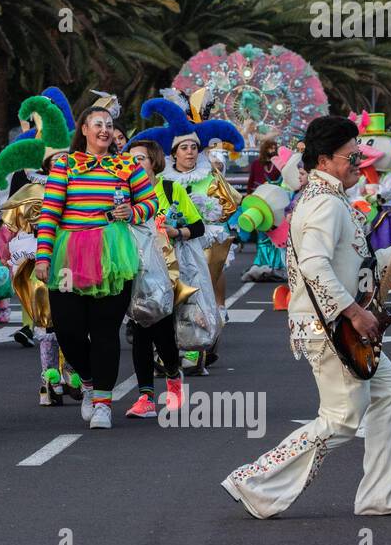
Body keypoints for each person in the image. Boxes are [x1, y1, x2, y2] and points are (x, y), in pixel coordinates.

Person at [221, 115, 391, 519]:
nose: (359, 160)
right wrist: (354, 312)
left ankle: (381, 494)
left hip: (339, 326)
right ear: (323, 159)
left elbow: (356, 267)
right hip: (332, 328)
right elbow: (317, 268)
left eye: (359, 152)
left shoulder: (333, 200)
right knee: (341, 420)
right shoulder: (323, 204)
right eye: (351, 154)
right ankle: (254, 480)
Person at [33, 103, 157, 430]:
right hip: (69, 252)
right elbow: (49, 214)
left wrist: (133, 212)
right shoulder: (65, 165)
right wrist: (43, 257)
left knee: (104, 331)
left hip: (113, 254)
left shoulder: (127, 164)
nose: (104, 129)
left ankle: (103, 401)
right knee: (68, 329)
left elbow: (151, 202)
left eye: (109, 124)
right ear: (84, 130)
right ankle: (87, 382)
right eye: (97, 123)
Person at [137, 92, 245, 374]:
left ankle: (197, 350)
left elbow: (229, 204)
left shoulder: (210, 174)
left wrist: (207, 209)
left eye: (193, 147)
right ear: (173, 153)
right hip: (165, 247)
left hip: (201, 241)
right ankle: (167, 353)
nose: (189, 152)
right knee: (167, 299)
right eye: (183, 148)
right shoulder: (164, 181)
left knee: (198, 296)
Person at [0, 92, 83, 406]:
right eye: (56, 161)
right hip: (39, 263)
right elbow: (11, 223)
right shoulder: (30, 190)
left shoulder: (81, 186)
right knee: (45, 319)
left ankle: (70, 369)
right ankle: (48, 378)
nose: (61, 165)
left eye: (65, 160)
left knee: (72, 315)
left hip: (71, 260)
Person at [123, 139, 194, 418]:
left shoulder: (169, 189)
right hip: (133, 269)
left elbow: (197, 226)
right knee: (140, 328)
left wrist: (176, 232)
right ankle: (146, 397)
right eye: (129, 160)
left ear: (153, 162)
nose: (133, 164)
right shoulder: (122, 194)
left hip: (166, 272)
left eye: (139, 159)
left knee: (161, 332)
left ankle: (174, 375)